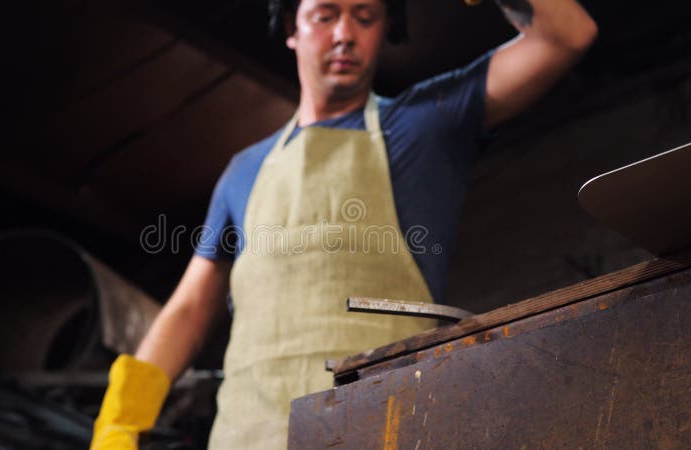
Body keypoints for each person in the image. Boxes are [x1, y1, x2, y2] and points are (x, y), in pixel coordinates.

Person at [90, 0, 597, 448]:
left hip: (387, 431)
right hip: (248, 437)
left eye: (365, 16)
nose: (344, 34)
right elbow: (187, 309)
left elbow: (567, 34)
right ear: (293, 26)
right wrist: (123, 415)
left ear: (384, 28)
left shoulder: (423, 125)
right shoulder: (243, 172)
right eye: (325, 14)